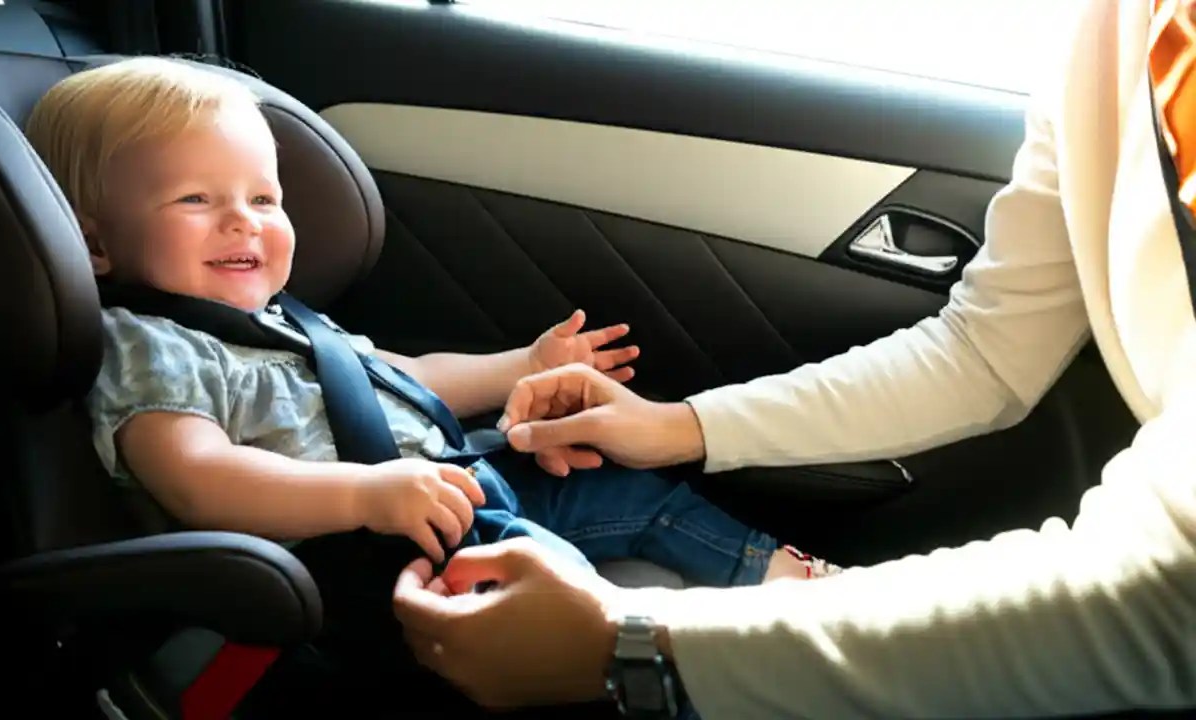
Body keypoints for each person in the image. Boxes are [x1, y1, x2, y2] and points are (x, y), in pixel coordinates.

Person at [390, 1, 1196, 718]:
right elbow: (984, 351)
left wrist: (633, 646)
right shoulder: (1108, 32)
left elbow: (1167, 596)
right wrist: (676, 428)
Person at [20, 55, 843, 704]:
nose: (246, 220)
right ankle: (695, 679)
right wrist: (366, 494)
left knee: (627, 482)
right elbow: (197, 478)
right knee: (548, 583)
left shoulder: (287, 318)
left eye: (265, 198)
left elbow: (406, 381)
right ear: (95, 247)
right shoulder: (149, 343)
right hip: (369, 550)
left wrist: (523, 367)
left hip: (449, 486)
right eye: (197, 199)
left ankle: (806, 595)